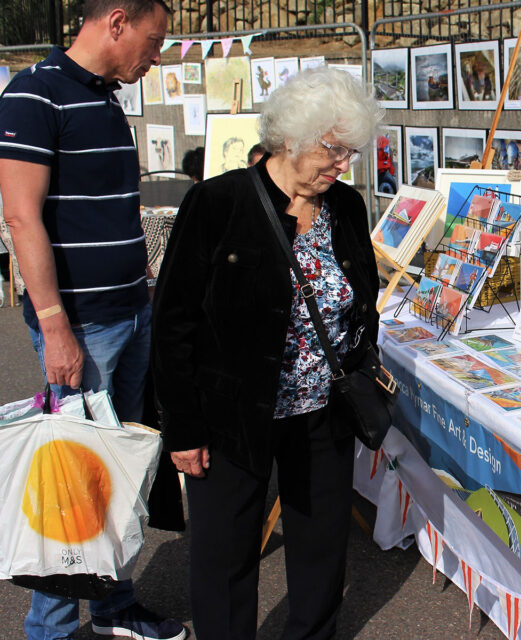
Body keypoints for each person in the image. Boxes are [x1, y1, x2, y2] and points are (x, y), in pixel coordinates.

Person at [151, 66, 382, 638]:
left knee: (322, 548)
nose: (342, 164)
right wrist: (182, 428)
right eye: (333, 149)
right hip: (231, 417)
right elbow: (173, 322)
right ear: (290, 138)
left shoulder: (346, 206)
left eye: (350, 151)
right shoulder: (217, 203)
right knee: (224, 558)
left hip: (324, 414)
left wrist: (358, 362)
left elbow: (364, 300)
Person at [0, 1, 185, 640]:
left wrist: (144, 285)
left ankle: (113, 604)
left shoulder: (105, 98)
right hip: (82, 326)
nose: (155, 55)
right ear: (115, 22)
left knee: (121, 471)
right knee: (73, 478)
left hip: (131, 309)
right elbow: (22, 218)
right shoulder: (34, 94)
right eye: (152, 40)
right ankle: (49, 628)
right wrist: (54, 328)